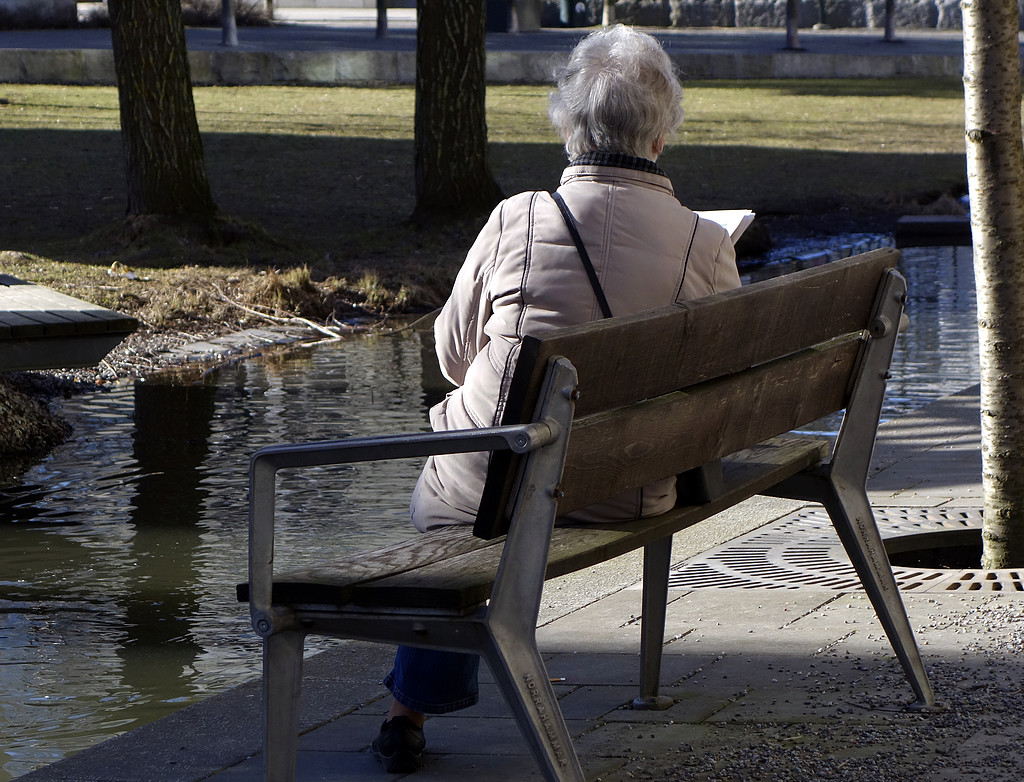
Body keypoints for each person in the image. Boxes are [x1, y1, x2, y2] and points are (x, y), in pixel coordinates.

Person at [371, 24, 741, 773]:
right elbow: (720, 384)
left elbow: (450, 358)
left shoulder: (517, 218)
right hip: (626, 490)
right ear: (661, 137)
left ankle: (409, 711)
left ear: (570, 126)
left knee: (452, 497)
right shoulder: (706, 241)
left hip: (495, 492)